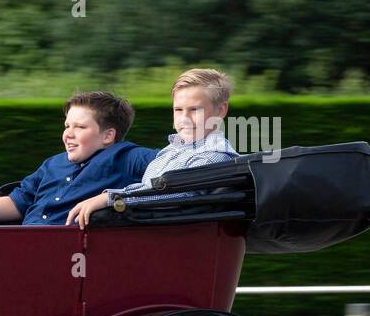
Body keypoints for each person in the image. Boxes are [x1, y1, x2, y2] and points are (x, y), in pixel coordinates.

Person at [65, 69, 239, 227]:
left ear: (221, 110)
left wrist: (110, 198)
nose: (184, 118)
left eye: (194, 110)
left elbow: (172, 195)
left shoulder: (214, 157)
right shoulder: (171, 151)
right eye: (178, 110)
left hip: (173, 243)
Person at [0, 91, 156, 226]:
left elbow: (178, 165)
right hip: (20, 243)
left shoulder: (127, 157)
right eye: (67, 126)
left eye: (80, 127)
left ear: (108, 136)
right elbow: (18, 202)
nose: (68, 134)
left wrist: (112, 196)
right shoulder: (53, 164)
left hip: (66, 254)